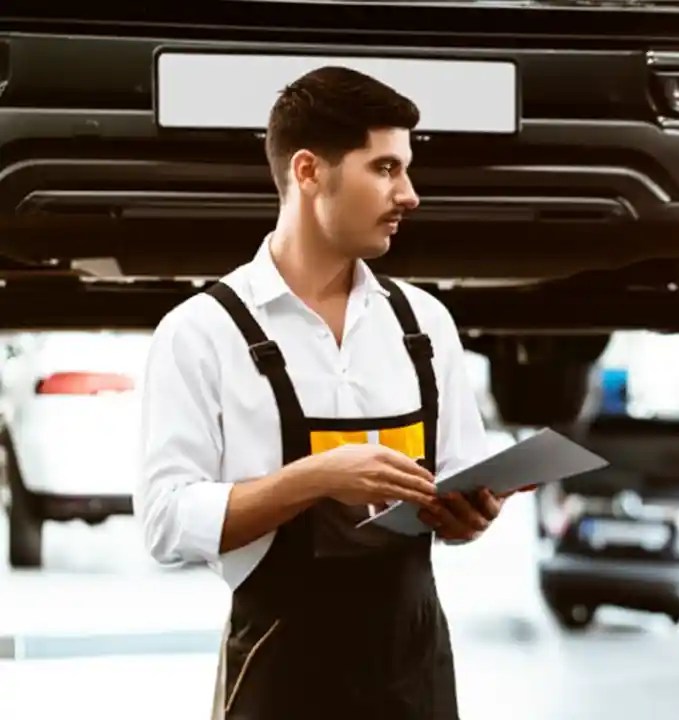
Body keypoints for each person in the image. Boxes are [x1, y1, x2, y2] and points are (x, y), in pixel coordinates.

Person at [134, 66, 517, 720]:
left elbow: (456, 484)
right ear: (309, 172)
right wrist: (315, 478)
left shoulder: (424, 324)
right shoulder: (202, 332)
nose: (411, 195)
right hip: (281, 681)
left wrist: (470, 516)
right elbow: (166, 521)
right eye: (387, 169)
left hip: (412, 674)